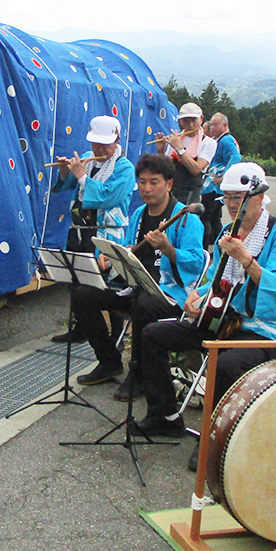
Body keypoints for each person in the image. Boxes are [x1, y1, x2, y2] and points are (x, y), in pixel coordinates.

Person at [134, 163, 276, 438]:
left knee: (225, 365)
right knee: (152, 334)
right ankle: (164, 416)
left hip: (261, 330)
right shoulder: (227, 232)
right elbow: (214, 279)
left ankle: (216, 439)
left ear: (259, 197)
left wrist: (246, 258)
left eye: (239, 198)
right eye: (228, 197)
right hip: (222, 320)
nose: (232, 204)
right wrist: (197, 295)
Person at [70, 154, 206, 397]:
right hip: (135, 288)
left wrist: (168, 248)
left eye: (154, 182)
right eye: (142, 182)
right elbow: (130, 250)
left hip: (169, 295)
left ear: (169, 184)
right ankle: (109, 361)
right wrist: (114, 256)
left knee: (145, 304)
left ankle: (139, 373)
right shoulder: (138, 214)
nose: (147, 188)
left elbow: (197, 262)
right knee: (83, 295)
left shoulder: (186, 219)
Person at [49, 115, 135, 343]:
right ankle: (80, 328)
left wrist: (81, 176)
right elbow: (69, 185)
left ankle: (116, 336)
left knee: (109, 284)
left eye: (105, 144)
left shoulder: (125, 168)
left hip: (106, 232)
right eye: (96, 143)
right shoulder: (88, 158)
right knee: (76, 280)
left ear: (117, 140)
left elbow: (107, 197)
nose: (99, 149)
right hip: (80, 230)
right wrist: (65, 171)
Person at [154, 101, 216, 206]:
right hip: (171, 193)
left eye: (194, 120)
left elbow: (196, 169)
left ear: (201, 119)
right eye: (186, 121)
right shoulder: (176, 139)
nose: (190, 125)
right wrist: (161, 151)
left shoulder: (208, 142)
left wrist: (179, 149)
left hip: (190, 197)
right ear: (180, 122)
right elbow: (164, 169)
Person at [201, 112, 242, 248]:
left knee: (206, 217)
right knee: (214, 218)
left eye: (215, 124)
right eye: (211, 124)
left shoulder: (226, 140)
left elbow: (235, 157)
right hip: (214, 185)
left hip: (214, 186)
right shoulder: (221, 140)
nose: (212, 127)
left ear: (225, 125)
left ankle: (205, 248)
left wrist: (226, 176)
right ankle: (220, 246)